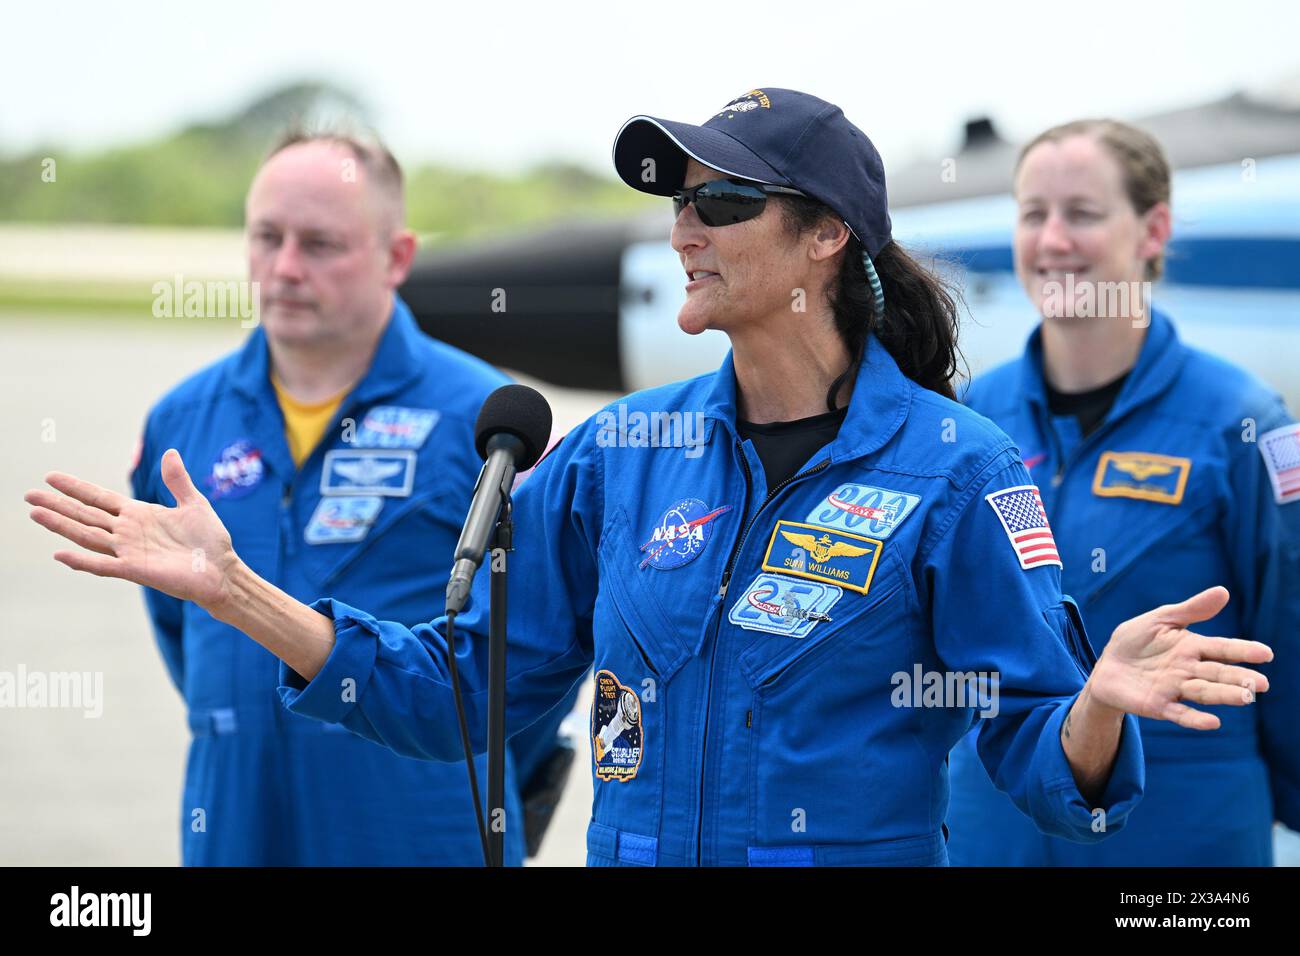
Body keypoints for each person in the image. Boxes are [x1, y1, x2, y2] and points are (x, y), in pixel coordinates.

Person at [27, 90, 1274, 866]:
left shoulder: (956, 471)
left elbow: (1046, 774)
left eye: (722, 198)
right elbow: (462, 695)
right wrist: (243, 592)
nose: (684, 225)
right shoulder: (619, 455)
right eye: (678, 198)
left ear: (825, 236)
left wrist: (1095, 705)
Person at [124, 131, 576, 865]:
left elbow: (530, 671)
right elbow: (183, 634)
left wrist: (453, 779)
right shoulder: (182, 422)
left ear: (396, 257)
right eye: (266, 238)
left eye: (321, 244)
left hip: (421, 830)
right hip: (236, 822)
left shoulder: (487, 425)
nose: (286, 268)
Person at [945, 119, 1300, 866]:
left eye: (1082, 213)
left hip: (1180, 844)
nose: (1052, 240)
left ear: (1153, 228)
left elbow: (1292, 640)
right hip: (994, 830)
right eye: (1033, 214)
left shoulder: (1243, 423)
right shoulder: (970, 424)